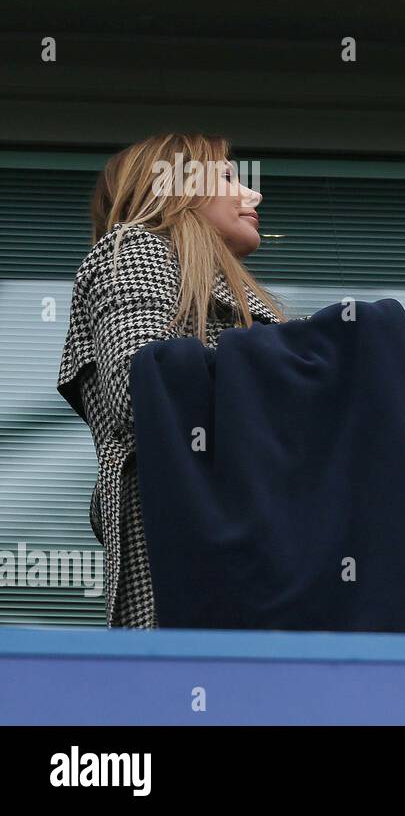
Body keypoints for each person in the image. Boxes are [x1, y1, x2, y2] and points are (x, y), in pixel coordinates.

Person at [57, 132, 286, 628]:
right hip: (199, 582)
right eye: (229, 178)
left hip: (236, 575)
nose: (254, 195)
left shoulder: (218, 291)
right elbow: (144, 391)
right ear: (175, 189)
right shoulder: (137, 251)